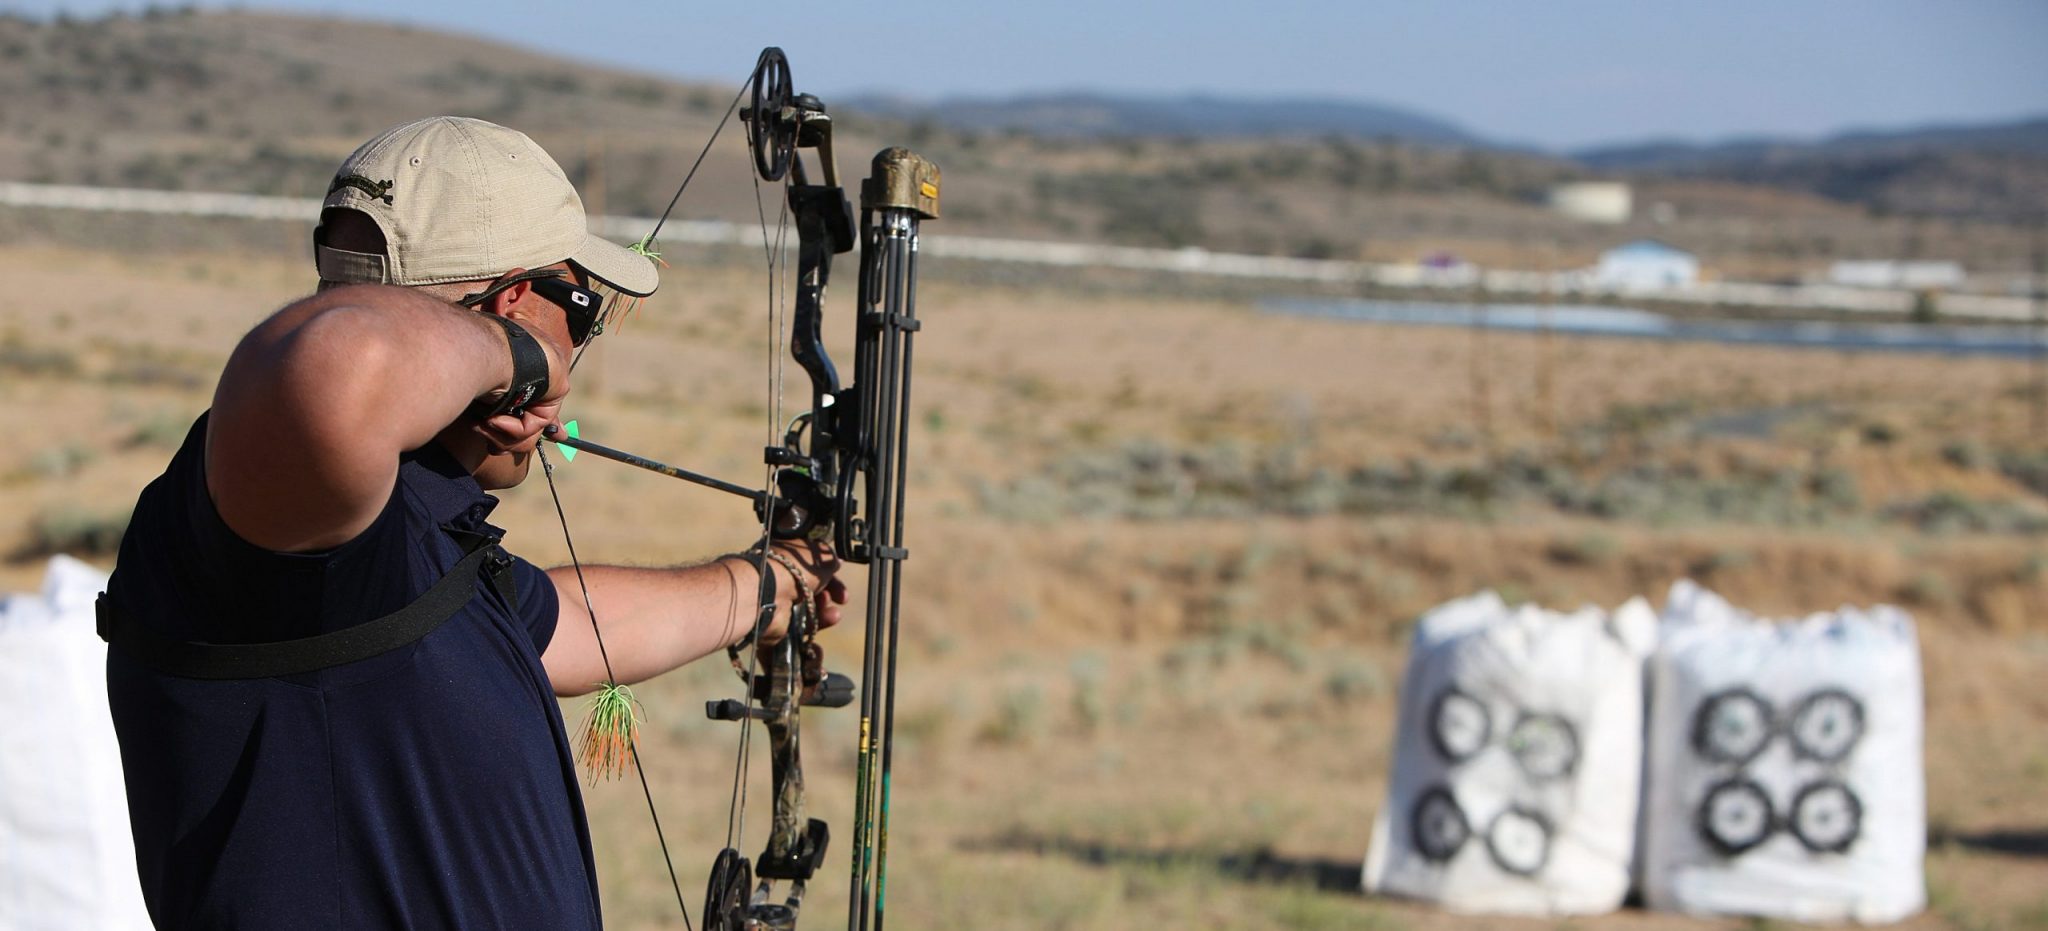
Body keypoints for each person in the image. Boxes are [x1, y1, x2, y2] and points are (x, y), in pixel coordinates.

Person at [98, 116, 844, 929]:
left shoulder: (407, 534)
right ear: (518, 299)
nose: (580, 347)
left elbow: (568, 627)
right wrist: (521, 355)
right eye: (582, 312)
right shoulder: (285, 527)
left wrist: (773, 584)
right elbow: (332, 367)